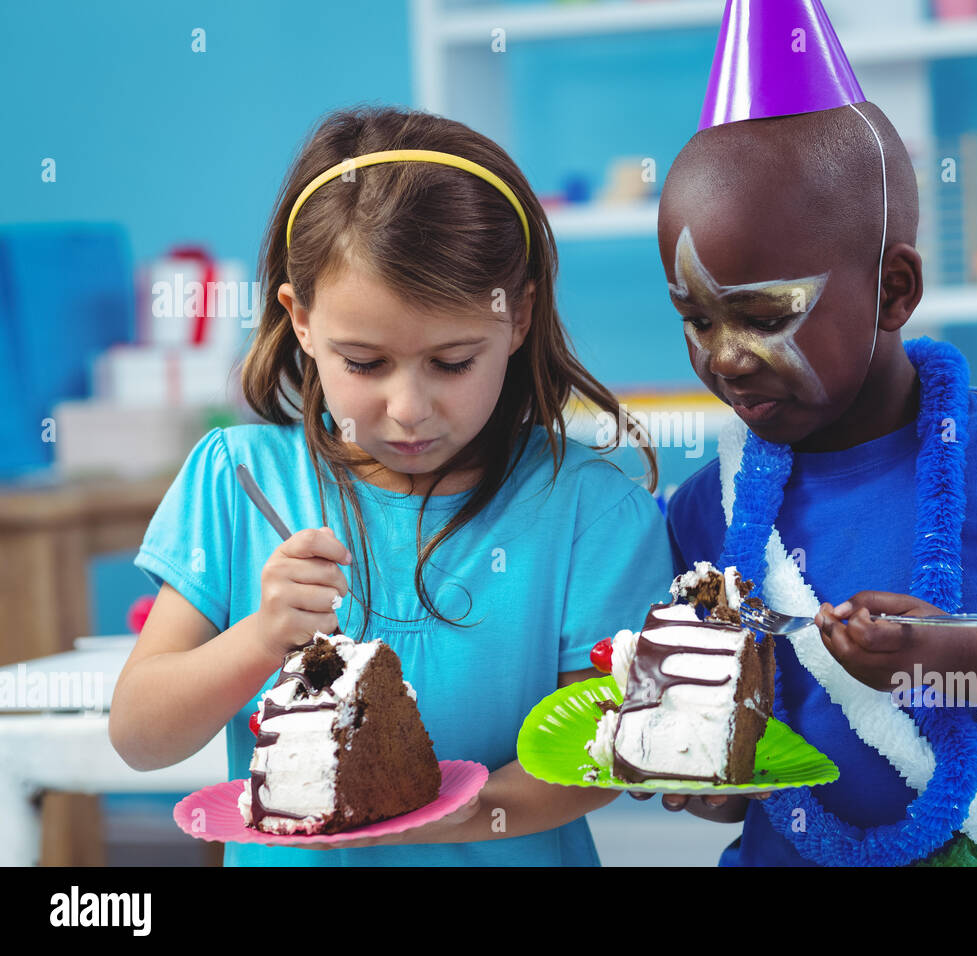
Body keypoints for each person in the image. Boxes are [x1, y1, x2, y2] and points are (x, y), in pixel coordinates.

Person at [648, 0, 977, 866]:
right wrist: (690, 764)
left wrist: (942, 659)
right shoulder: (706, 512)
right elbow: (729, 788)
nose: (726, 359)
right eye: (697, 320)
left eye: (763, 314)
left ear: (895, 290)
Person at [109, 105, 673, 865]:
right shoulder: (236, 480)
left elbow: (595, 757)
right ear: (301, 322)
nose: (408, 410)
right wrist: (260, 637)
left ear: (518, 317)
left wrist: (435, 818)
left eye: (452, 361)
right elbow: (141, 737)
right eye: (365, 363)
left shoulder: (590, 512)